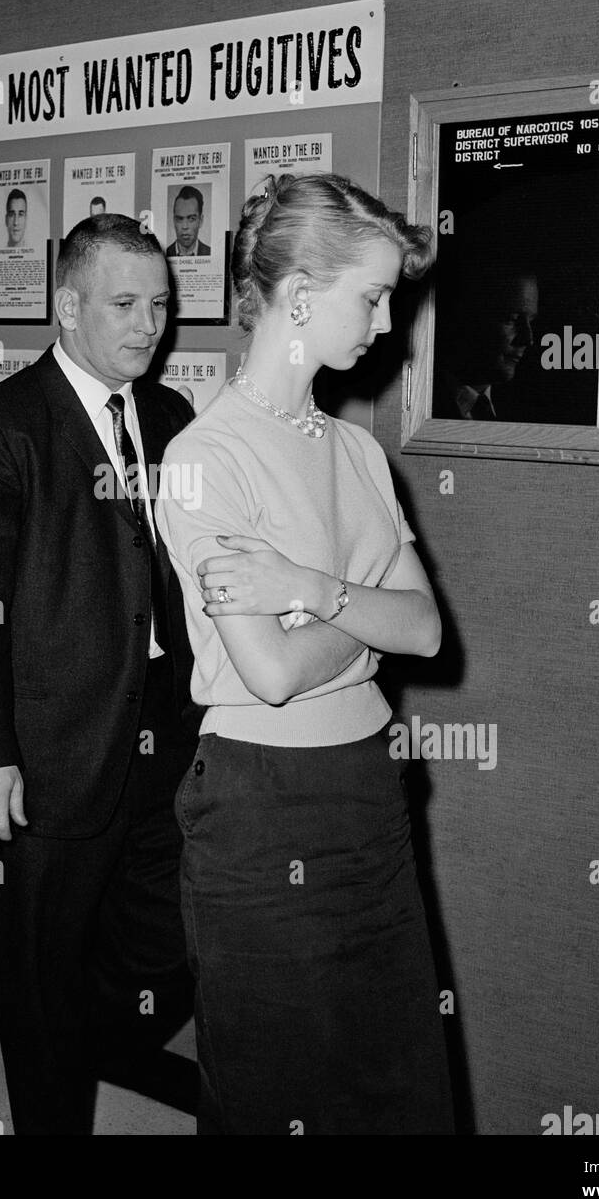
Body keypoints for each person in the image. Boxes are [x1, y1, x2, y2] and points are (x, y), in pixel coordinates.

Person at [155, 172, 454, 1135]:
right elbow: (272, 676)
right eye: (371, 298)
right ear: (299, 297)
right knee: (278, 1097)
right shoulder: (208, 456)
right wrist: (366, 618)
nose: (386, 325)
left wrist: (309, 589)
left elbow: (427, 630)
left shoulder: (360, 453)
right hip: (259, 805)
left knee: (398, 1089)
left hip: (370, 794)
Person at [0, 213, 200, 1135]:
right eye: (125, 303)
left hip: (164, 736)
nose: (149, 325)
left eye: (160, 304)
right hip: (41, 757)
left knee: (174, 945)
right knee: (37, 983)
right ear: (67, 305)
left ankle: (66, 1031)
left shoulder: (169, 417)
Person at [432, 237, 538, 419]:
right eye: (512, 319)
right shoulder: (426, 406)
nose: (528, 339)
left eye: (531, 320)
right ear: (467, 314)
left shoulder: (527, 410)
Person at [165, 186, 211, 257]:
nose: (185, 226)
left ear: (201, 221)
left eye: (191, 219)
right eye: (180, 219)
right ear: (174, 221)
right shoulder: (163, 255)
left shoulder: (210, 253)